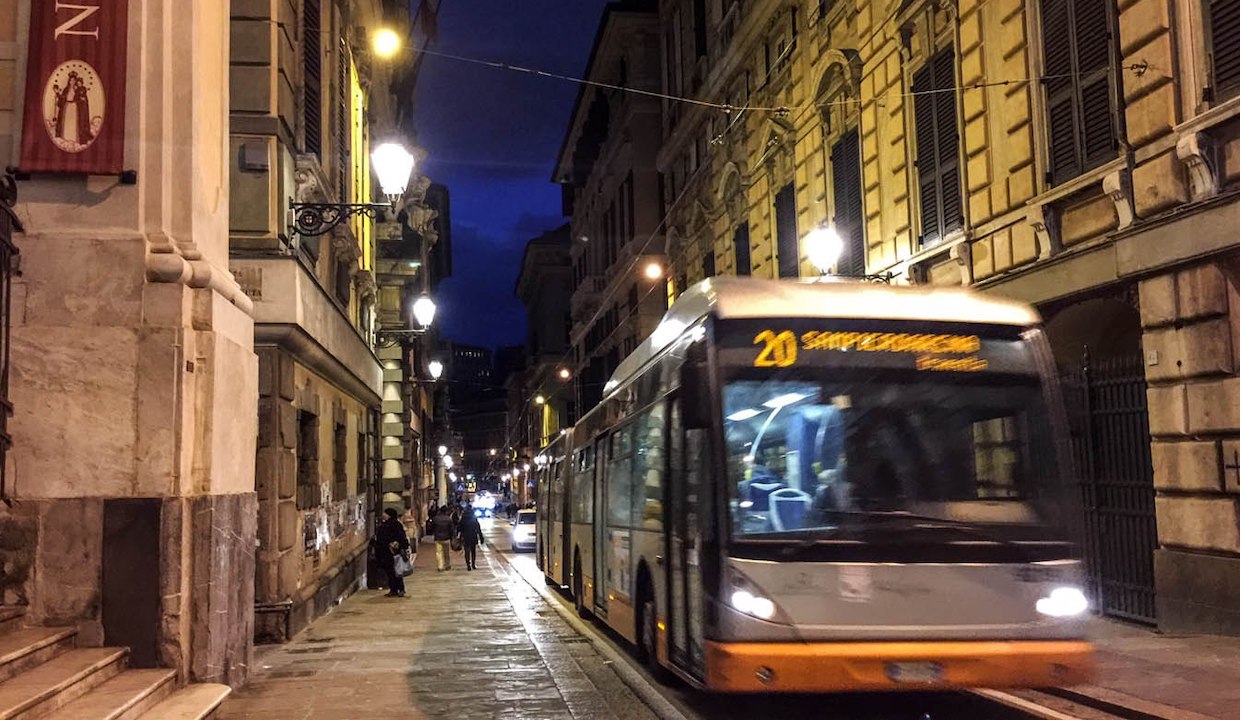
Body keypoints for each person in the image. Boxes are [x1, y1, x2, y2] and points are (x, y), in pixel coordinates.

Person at [375, 508, 410, 597]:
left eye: (385, 513)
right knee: (390, 571)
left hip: (394, 552)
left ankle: (400, 589)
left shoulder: (395, 525)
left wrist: (396, 544)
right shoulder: (384, 525)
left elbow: (401, 537)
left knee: (396, 570)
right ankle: (393, 589)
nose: (383, 514)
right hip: (386, 552)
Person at [458, 504, 483, 571]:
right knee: (473, 551)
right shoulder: (474, 518)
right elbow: (478, 528)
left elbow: (459, 528)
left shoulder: (463, 518)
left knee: (467, 551)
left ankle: (468, 565)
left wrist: (458, 535)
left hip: (465, 536)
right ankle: (473, 564)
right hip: (473, 536)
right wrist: (481, 537)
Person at [430, 506, 456, 571]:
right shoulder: (449, 519)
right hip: (446, 538)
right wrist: (453, 537)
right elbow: (452, 530)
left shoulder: (435, 518)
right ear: (446, 511)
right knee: (446, 553)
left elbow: (431, 527)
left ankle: (440, 566)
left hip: (438, 538)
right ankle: (447, 565)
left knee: (439, 552)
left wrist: (434, 532)